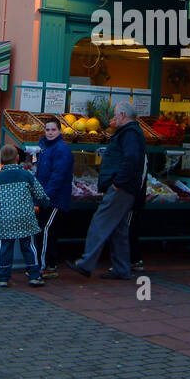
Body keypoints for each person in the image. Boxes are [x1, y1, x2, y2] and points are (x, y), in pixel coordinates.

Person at [66, 102, 146, 280]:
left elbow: (131, 159)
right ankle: (122, 268)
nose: (113, 118)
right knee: (119, 228)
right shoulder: (129, 133)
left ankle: (86, 263)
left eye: (116, 115)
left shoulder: (130, 134)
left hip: (121, 188)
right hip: (125, 187)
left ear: (123, 115)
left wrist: (118, 183)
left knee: (100, 222)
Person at [0, 144, 49, 288]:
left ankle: (3, 277)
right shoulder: (26, 174)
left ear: (0, 160)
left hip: (5, 220)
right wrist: (45, 203)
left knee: (5, 247)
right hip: (25, 217)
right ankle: (34, 275)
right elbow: (39, 193)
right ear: (18, 158)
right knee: (28, 246)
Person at [34, 118, 72, 277]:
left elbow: (58, 176)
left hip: (56, 198)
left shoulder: (61, 149)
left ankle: (42, 266)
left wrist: (45, 196)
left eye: (53, 130)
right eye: (47, 130)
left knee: (46, 230)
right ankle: (50, 265)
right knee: (45, 231)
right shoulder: (44, 148)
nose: (50, 133)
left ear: (60, 131)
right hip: (45, 197)